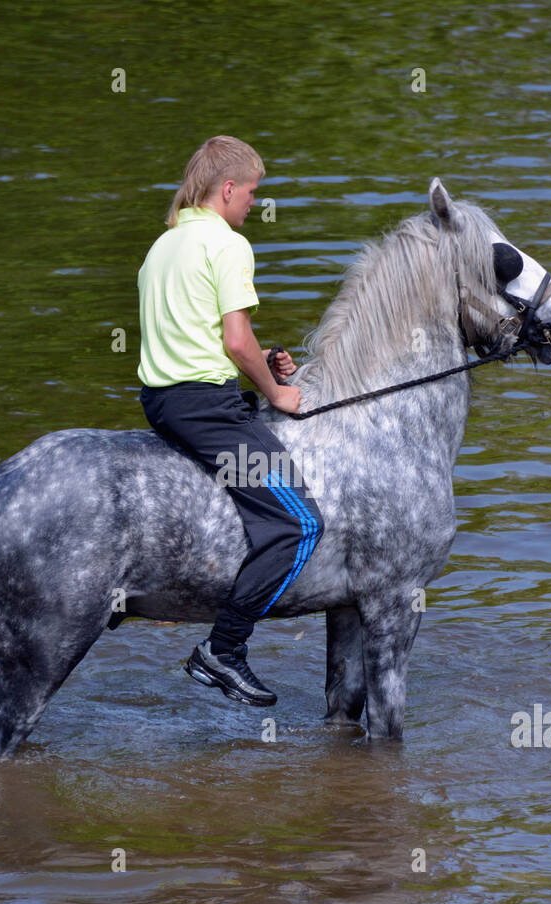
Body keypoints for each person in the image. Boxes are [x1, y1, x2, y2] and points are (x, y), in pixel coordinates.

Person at [137, 135, 324, 708]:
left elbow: (198, 342)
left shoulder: (163, 246)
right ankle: (223, 650)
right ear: (227, 188)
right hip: (206, 408)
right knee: (300, 524)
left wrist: (263, 365)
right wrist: (278, 391)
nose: (252, 205)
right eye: (251, 193)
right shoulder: (227, 244)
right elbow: (235, 338)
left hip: (165, 399)